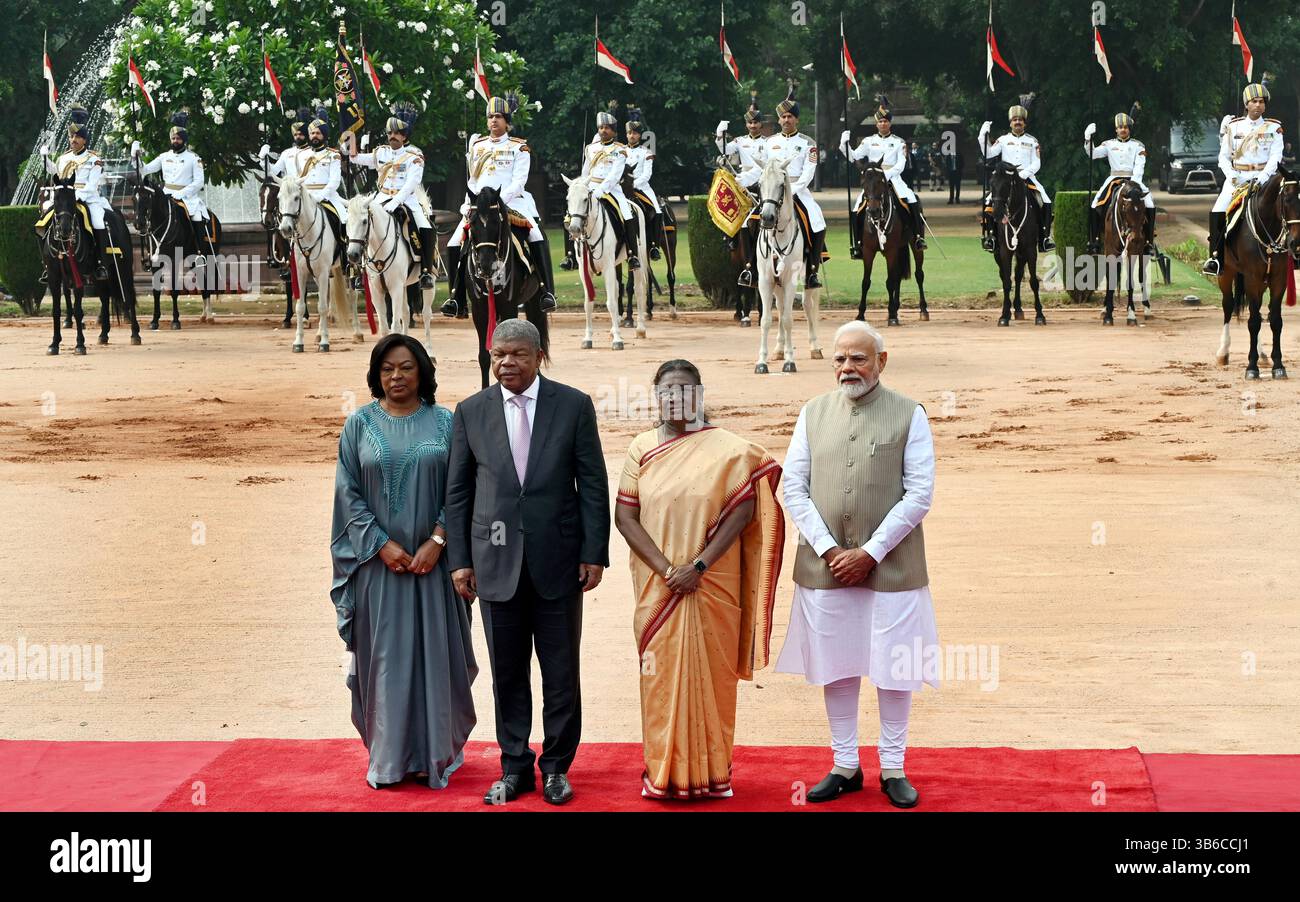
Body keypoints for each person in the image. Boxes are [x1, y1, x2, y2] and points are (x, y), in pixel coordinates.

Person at [445, 319, 611, 806]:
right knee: (507, 673)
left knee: (561, 674)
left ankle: (557, 767)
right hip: (493, 566)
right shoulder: (471, 411)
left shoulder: (573, 405)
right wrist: (460, 561)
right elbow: (458, 492)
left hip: (558, 564)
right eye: (498, 355)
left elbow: (593, 484)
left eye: (517, 354)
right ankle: (514, 766)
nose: (506, 364)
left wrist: (592, 553)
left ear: (539, 356)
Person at [775, 321, 939, 808]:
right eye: (840, 359)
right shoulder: (812, 413)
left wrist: (870, 552)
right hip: (826, 566)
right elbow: (794, 487)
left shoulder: (910, 414)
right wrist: (830, 550)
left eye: (859, 358)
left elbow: (920, 492)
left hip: (893, 567)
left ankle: (893, 768)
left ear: (881, 362)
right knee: (838, 666)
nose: (848, 367)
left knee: (894, 667)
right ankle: (845, 765)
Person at [614, 360, 784, 799]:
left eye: (685, 389)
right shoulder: (641, 448)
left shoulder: (729, 450)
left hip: (713, 585)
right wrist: (668, 570)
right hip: (659, 587)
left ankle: (712, 774)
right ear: (656, 396)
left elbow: (743, 511)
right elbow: (626, 516)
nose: (676, 397)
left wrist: (700, 567)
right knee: (659, 677)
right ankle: (663, 774)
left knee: (712, 677)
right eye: (668, 390)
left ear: (700, 394)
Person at [330, 333, 478, 790]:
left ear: (422, 373)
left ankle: (435, 754)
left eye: (406, 367)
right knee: (387, 661)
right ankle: (390, 758)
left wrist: (438, 540)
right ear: (376, 374)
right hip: (380, 569)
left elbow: (461, 490)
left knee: (434, 657)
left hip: (434, 568)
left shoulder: (446, 422)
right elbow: (347, 493)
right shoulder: (358, 424)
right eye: (387, 368)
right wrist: (380, 545)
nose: (396, 376)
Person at [443, 94, 556, 318]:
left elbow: (519, 181)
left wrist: (498, 201)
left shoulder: (519, 147)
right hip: (480, 205)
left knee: (536, 237)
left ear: (507, 121)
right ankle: (456, 299)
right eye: (490, 117)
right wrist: (470, 203)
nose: (493, 120)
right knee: (454, 242)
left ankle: (546, 292)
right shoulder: (477, 146)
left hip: (513, 202)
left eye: (498, 117)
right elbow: (473, 181)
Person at [347, 102, 437, 289]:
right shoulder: (380, 152)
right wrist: (351, 139)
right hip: (381, 198)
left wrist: (396, 202)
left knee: (426, 227)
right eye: (390, 133)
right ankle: (359, 271)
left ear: (404, 136)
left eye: (397, 133)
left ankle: (426, 272)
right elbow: (355, 158)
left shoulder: (414, 155)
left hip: (406, 201)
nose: (392, 136)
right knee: (360, 223)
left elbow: (412, 183)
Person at [1203, 83, 1284, 275]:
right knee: (1218, 210)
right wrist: (1232, 176)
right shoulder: (1234, 126)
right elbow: (1223, 157)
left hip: (1265, 179)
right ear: (1246, 104)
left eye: (1261, 102)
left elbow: (1276, 156)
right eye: (1254, 101)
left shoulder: (1274, 127)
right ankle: (1215, 259)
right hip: (1237, 179)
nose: (1258, 105)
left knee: (1288, 207)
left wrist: (1264, 177)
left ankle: (1291, 251)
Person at [841, 100, 927, 256]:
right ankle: (857, 244)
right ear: (876, 124)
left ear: (890, 124)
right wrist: (844, 143)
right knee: (856, 209)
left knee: (911, 200)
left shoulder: (898, 142)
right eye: (880, 121)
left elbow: (901, 165)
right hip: (873, 180)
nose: (883, 124)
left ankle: (918, 237)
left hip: (893, 177)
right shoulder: (869, 141)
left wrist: (885, 175)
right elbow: (853, 156)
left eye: (885, 121)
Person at [131, 110, 218, 265]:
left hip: (187, 197)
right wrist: (135, 156)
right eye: (173, 138)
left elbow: (198, 182)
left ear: (184, 140)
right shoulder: (164, 157)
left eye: (178, 138)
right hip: (166, 195)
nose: (175, 141)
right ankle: (152, 253)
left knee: (197, 216)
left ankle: (199, 253)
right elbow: (143, 170)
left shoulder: (194, 158)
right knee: (152, 217)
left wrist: (181, 193)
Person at [762, 88, 827, 287]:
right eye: (783, 116)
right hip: (774, 191)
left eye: (790, 116)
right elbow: (765, 171)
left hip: (798, 189)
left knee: (817, 220)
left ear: (796, 119)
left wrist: (793, 190)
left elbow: (809, 172)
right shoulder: (769, 142)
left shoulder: (808, 143)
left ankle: (812, 271)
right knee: (751, 220)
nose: (786, 120)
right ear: (779, 120)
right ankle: (750, 267)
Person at [41, 105, 113, 280]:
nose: (73, 140)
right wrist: (45, 158)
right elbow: (55, 173)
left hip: (87, 198)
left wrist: (76, 197)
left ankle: (100, 263)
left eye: (77, 137)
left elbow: (92, 185)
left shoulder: (94, 159)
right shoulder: (63, 158)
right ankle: (46, 264)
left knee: (97, 222)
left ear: (85, 140)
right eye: (71, 136)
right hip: (65, 199)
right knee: (42, 221)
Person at [978, 104, 1056, 252]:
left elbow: (1037, 163)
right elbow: (988, 154)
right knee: (988, 201)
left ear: (1024, 123)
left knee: (1045, 200)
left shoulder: (1032, 141)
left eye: (1020, 120)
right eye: (1014, 120)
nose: (1017, 122)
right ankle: (991, 237)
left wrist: (1022, 174)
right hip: (1006, 178)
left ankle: (1045, 238)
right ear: (1010, 123)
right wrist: (982, 136)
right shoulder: (1003, 140)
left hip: (1027, 176)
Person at [715, 91, 767, 288]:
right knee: (731, 213)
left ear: (760, 124)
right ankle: (730, 239)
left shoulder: (768, 143)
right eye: (750, 123)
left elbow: (764, 167)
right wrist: (720, 135)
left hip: (761, 186)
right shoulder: (739, 141)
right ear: (746, 125)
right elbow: (724, 151)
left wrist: (744, 178)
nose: (753, 126)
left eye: (756, 123)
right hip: (743, 187)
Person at [1084, 110, 1155, 254]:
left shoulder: (1138, 145)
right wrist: (1088, 139)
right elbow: (1092, 154)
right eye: (1120, 127)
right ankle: (1095, 240)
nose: (1123, 130)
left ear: (1129, 129)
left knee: (1149, 203)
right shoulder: (1108, 144)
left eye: (1126, 127)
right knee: (1095, 203)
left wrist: (1133, 185)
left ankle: (1148, 242)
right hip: (1114, 179)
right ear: (1116, 129)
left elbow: (1140, 166)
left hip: (1133, 179)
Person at [582, 104, 642, 270]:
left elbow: (615, 175)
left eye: (607, 128)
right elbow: (585, 172)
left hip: (612, 190)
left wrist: (601, 190)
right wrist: (581, 187)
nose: (603, 130)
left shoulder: (620, 150)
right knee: (571, 214)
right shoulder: (590, 148)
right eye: (601, 127)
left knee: (627, 215)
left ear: (614, 132)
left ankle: (632, 255)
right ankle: (571, 256)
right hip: (591, 188)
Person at [625, 108, 663, 262]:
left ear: (639, 135)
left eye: (634, 133)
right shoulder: (620, 151)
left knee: (656, 210)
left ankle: (654, 246)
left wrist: (632, 185)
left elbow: (647, 175)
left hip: (641, 188)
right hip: (622, 190)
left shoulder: (646, 152)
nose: (631, 136)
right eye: (629, 133)